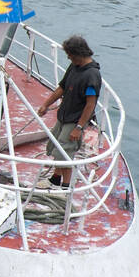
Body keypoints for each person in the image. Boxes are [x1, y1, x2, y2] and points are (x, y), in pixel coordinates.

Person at [35, 35, 102, 190]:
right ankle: (55, 180)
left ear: (78, 53)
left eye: (70, 54)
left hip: (75, 120)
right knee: (56, 147)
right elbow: (62, 88)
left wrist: (79, 127)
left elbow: (90, 104)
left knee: (65, 153)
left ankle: (65, 188)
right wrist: (46, 104)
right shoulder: (74, 66)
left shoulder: (92, 75)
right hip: (64, 116)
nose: (68, 57)